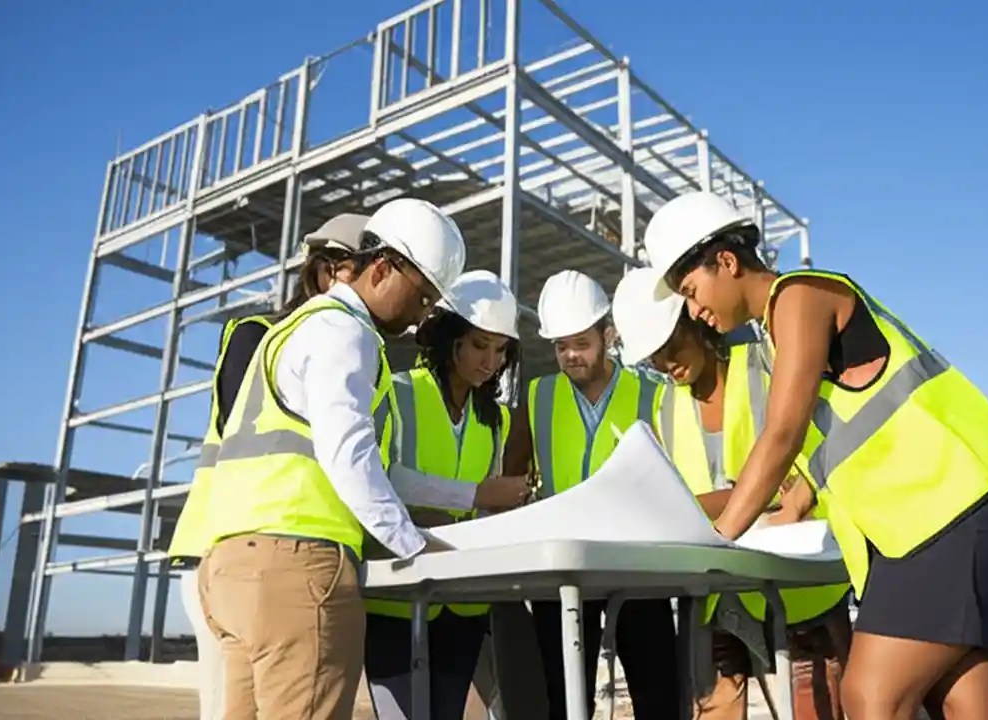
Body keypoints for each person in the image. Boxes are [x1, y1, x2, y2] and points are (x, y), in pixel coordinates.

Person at [642, 191, 988, 720]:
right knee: (958, 704)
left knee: (870, 696)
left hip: (956, 505)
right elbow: (833, 439)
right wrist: (792, 505)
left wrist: (718, 544)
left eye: (691, 291)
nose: (694, 311)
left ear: (727, 262)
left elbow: (783, 433)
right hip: (938, 517)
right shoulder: (772, 337)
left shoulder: (800, 296)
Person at [197, 197, 467, 720]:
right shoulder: (346, 332)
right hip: (297, 571)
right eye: (422, 297)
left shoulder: (294, 330)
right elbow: (350, 455)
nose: (422, 317)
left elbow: (368, 466)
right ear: (384, 269)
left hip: (232, 569)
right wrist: (413, 546)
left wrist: (470, 496)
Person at [612, 267, 853, 720]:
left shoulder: (766, 366)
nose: (666, 364)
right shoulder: (665, 407)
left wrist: (718, 505)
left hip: (800, 588)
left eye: (670, 346)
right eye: (654, 358)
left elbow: (816, 463)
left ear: (695, 323)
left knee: (822, 708)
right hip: (716, 595)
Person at [166, 212, 375, 720]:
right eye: (368, 270)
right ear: (329, 272)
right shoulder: (272, 336)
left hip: (242, 557)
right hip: (249, 552)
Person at [502, 269, 681, 720]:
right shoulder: (538, 396)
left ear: (608, 335)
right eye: (560, 346)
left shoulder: (652, 393)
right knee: (563, 701)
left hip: (638, 566)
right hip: (561, 570)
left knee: (657, 692)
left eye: (580, 343)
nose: (569, 356)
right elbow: (512, 472)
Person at [363, 269, 533, 719]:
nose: (491, 361)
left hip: (463, 601)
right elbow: (381, 478)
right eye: (480, 345)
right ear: (450, 337)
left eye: (501, 350)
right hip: (396, 593)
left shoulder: (494, 419)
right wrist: (477, 493)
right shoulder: (398, 393)